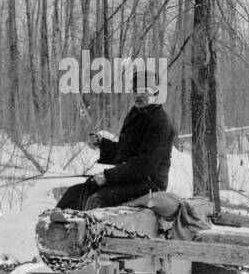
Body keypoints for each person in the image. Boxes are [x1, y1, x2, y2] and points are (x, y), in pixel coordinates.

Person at [55, 77, 176, 211]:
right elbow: (127, 152)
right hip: (131, 179)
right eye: (135, 91)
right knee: (76, 192)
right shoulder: (137, 114)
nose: (138, 95)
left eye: (144, 91)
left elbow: (144, 165)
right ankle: (55, 227)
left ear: (155, 93)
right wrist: (103, 144)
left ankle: (87, 231)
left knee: (96, 199)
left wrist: (107, 176)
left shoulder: (160, 123)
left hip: (149, 184)